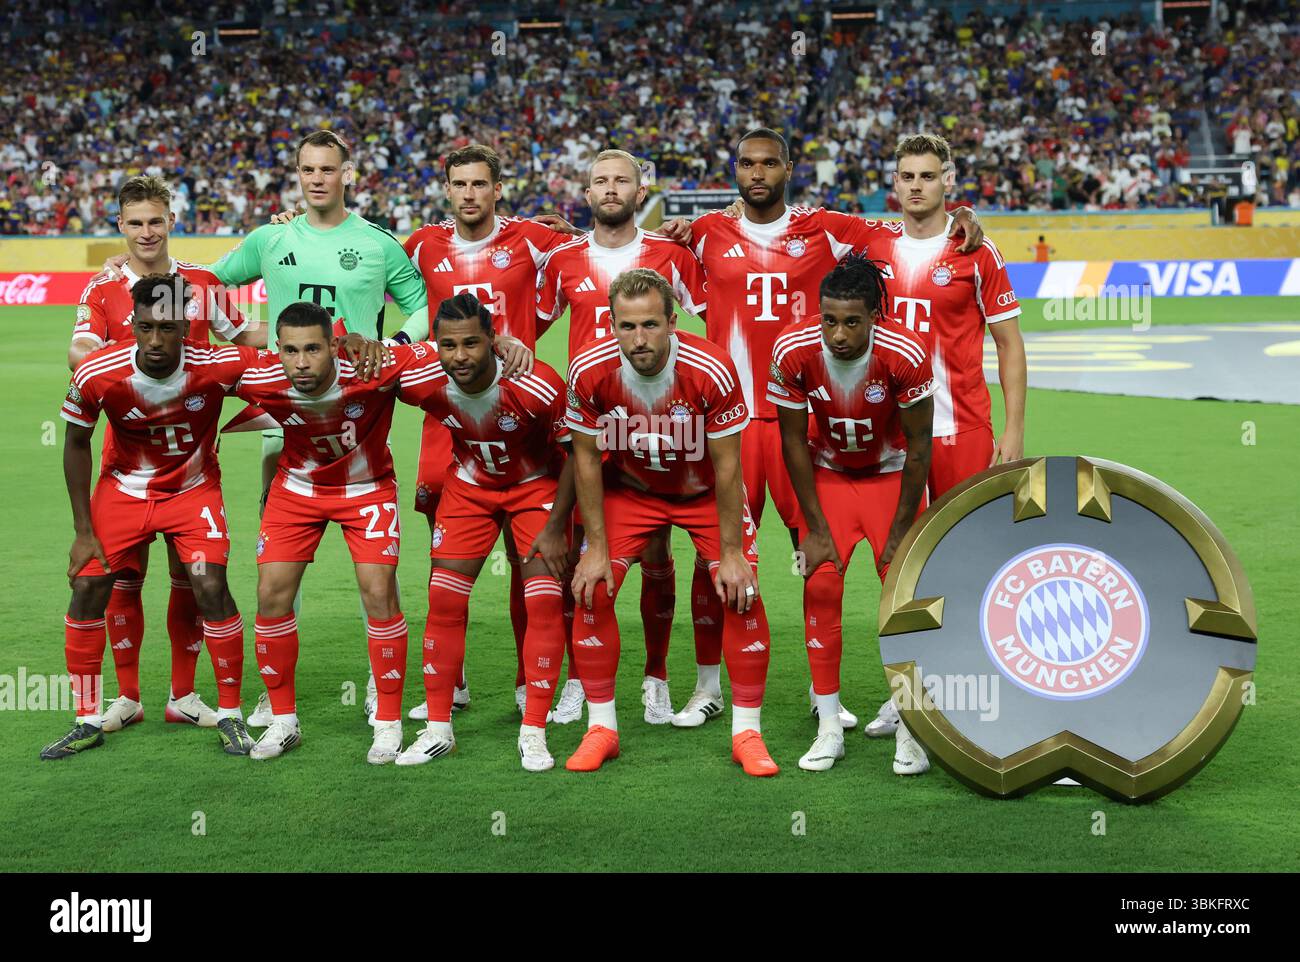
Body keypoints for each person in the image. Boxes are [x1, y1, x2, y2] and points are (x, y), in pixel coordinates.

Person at [658, 127, 979, 728]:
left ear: (788, 169)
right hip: (727, 421)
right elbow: (628, 243)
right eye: (747, 164)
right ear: (736, 170)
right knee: (719, 554)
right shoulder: (703, 232)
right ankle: (708, 685)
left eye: (770, 164)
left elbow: (913, 223)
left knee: (817, 555)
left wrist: (959, 211)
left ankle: (820, 692)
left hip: (800, 426)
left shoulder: (829, 227)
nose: (758, 174)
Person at [565, 268, 778, 777]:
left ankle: (747, 732)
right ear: (611, 324)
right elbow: (586, 461)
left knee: (740, 591)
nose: (639, 339)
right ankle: (602, 729)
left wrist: (730, 553)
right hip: (632, 492)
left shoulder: (711, 367)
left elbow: (729, 467)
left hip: (705, 493)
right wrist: (595, 547)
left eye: (651, 326)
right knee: (592, 588)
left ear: (672, 322)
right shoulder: (589, 369)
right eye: (627, 326)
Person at [70, 175, 263, 735]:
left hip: (194, 467)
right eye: (136, 223)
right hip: (126, 464)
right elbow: (81, 348)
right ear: (121, 227)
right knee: (120, 581)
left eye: (156, 221)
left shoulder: (202, 283)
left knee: (194, 579)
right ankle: (126, 697)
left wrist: (301, 337)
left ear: (171, 221)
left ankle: (184, 694)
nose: (147, 232)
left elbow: (244, 334)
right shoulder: (102, 289)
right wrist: (95, 363)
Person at [857, 134, 1026, 759]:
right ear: (894, 183)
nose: (918, 185)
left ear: (949, 182)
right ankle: (906, 691)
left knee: (960, 565)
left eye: (929, 175)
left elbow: (1009, 343)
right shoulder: (870, 245)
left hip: (962, 431)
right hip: (892, 434)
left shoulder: (977, 252)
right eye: (908, 175)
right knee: (901, 562)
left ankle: (949, 699)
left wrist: (1012, 429)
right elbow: (792, 226)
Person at [44, 273, 257, 760]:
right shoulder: (99, 372)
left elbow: (288, 372)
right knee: (88, 586)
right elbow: (76, 443)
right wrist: (82, 530)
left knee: (209, 586)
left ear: (187, 324)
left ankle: (230, 714)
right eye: (144, 328)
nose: (155, 341)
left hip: (193, 491)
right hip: (123, 492)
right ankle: (86, 719)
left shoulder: (220, 364)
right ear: (133, 324)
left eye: (167, 328)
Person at [536, 148, 710, 726]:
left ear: (642, 192)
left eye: (622, 181)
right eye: (599, 181)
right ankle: (583, 681)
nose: (610, 189)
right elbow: (523, 322)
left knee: (658, 552)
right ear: (585, 194)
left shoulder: (669, 254)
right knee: (587, 556)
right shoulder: (562, 256)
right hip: (588, 423)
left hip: (655, 422)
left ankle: (656, 676)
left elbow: (720, 309)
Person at [397, 144, 570, 721]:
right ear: (447, 188)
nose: (469, 194)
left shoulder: (533, 239)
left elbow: (594, 249)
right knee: (447, 552)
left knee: (533, 560)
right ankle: (456, 680)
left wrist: (568, 227)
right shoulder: (421, 245)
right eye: (459, 184)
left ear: (498, 188)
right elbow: (372, 263)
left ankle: (532, 682)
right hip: (446, 416)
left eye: (479, 184)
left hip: (518, 410)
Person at [231, 302, 418, 764]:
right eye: (290, 351)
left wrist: (506, 344)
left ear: (334, 346)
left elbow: (452, 352)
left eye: (313, 349)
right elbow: (191, 364)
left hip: (367, 488)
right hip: (296, 489)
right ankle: (283, 720)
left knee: (379, 593)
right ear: (277, 350)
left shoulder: (374, 368)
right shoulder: (260, 377)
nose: (301, 362)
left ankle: (389, 724)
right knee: (271, 594)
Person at [395, 294, 575, 770]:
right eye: (448, 345)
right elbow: (367, 363)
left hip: (536, 488)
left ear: (493, 341)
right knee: (445, 600)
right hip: (469, 487)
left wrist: (560, 526)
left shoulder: (536, 385)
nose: (459, 356)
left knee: (543, 600)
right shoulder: (422, 376)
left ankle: (534, 729)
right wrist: (350, 343)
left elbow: (578, 453)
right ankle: (438, 728)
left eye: (472, 343)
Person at [770, 256, 934, 772]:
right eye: (829, 320)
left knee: (907, 600)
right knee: (818, 584)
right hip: (831, 478)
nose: (838, 334)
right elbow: (793, 442)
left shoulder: (904, 353)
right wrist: (812, 526)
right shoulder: (792, 351)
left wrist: (904, 529)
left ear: (875, 316)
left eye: (852, 321)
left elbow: (920, 446)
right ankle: (827, 726)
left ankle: (912, 726)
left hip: (890, 479)